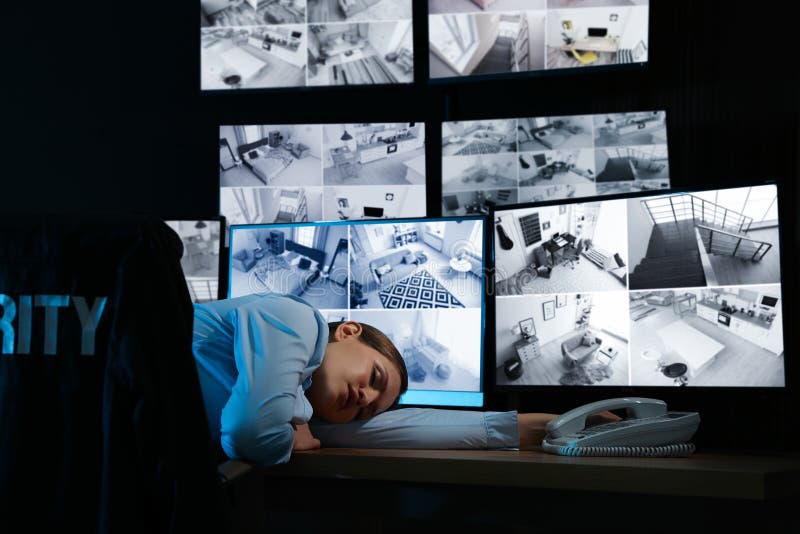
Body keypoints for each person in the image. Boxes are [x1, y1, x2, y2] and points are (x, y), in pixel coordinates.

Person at [192, 293, 613, 467]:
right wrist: (289, 437)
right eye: (374, 375)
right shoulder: (299, 320)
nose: (363, 397)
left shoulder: (305, 409)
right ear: (349, 330)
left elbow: (394, 430)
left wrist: (552, 425)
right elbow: (249, 434)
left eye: (368, 406)